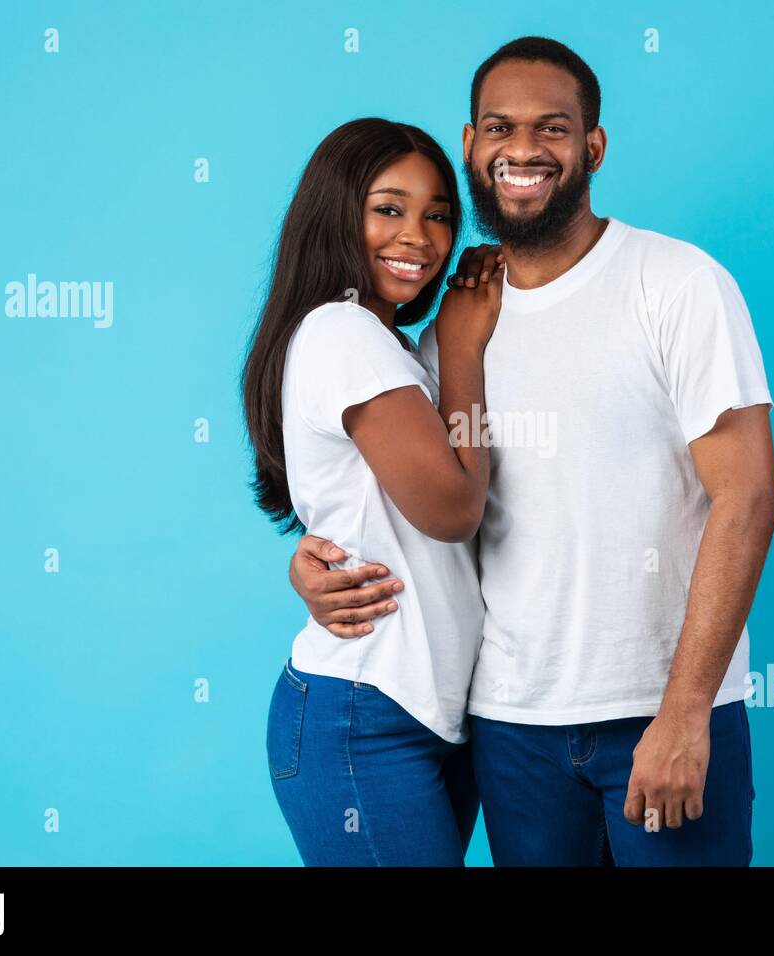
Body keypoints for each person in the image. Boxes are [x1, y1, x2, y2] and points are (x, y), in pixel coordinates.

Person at [290, 38, 774, 866]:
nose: (522, 148)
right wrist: (311, 563)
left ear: (591, 147)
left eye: (551, 128)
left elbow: (751, 497)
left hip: (659, 713)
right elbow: (406, 498)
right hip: (510, 726)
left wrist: (687, 709)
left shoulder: (678, 283)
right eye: (499, 128)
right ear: (473, 145)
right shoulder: (452, 330)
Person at [240, 117, 505, 865]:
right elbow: (453, 510)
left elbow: (367, 509)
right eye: (389, 208)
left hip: (421, 715)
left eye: (439, 213)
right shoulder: (344, 332)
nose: (418, 235)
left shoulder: (388, 346)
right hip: (364, 715)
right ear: (337, 214)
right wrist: (461, 347)